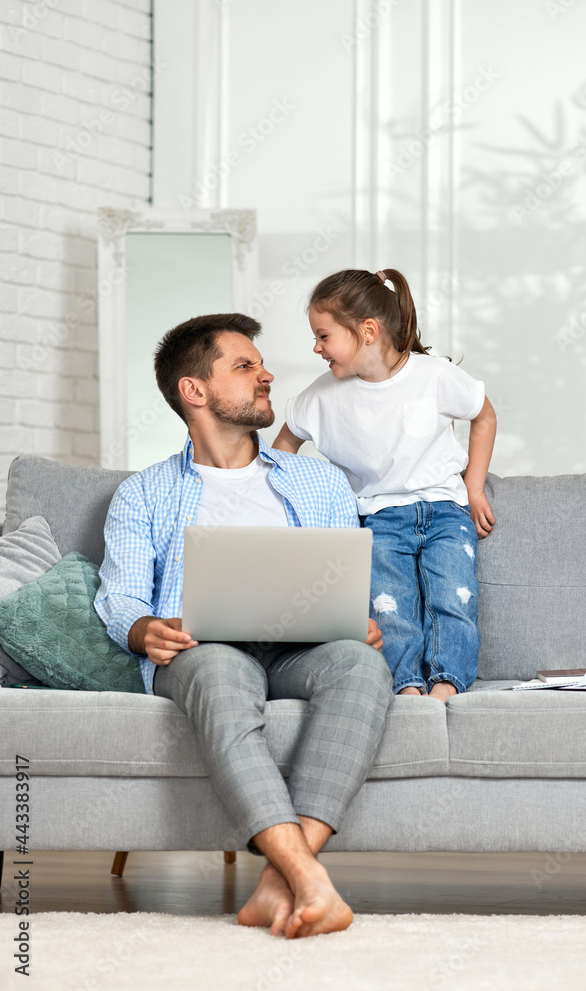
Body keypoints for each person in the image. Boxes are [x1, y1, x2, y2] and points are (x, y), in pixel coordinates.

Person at [94, 313, 394, 939]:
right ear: (194, 391)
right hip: (204, 650)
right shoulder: (143, 493)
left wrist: (353, 618)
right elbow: (118, 594)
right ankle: (308, 880)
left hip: (302, 649)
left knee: (363, 665)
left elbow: (343, 574)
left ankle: (279, 881)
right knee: (220, 669)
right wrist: (141, 627)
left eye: (260, 365)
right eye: (245, 366)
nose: (268, 375)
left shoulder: (317, 480)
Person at [273, 269, 497, 702]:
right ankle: (407, 687)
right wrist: (295, 512)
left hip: (446, 511)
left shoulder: (435, 376)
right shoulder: (319, 397)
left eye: (323, 336)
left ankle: (448, 682)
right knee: (388, 606)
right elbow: (283, 449)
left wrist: (473, 487)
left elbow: (483, 415)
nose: (316, 348)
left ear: (368, 331)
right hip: (375, 519)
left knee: (454, 599)